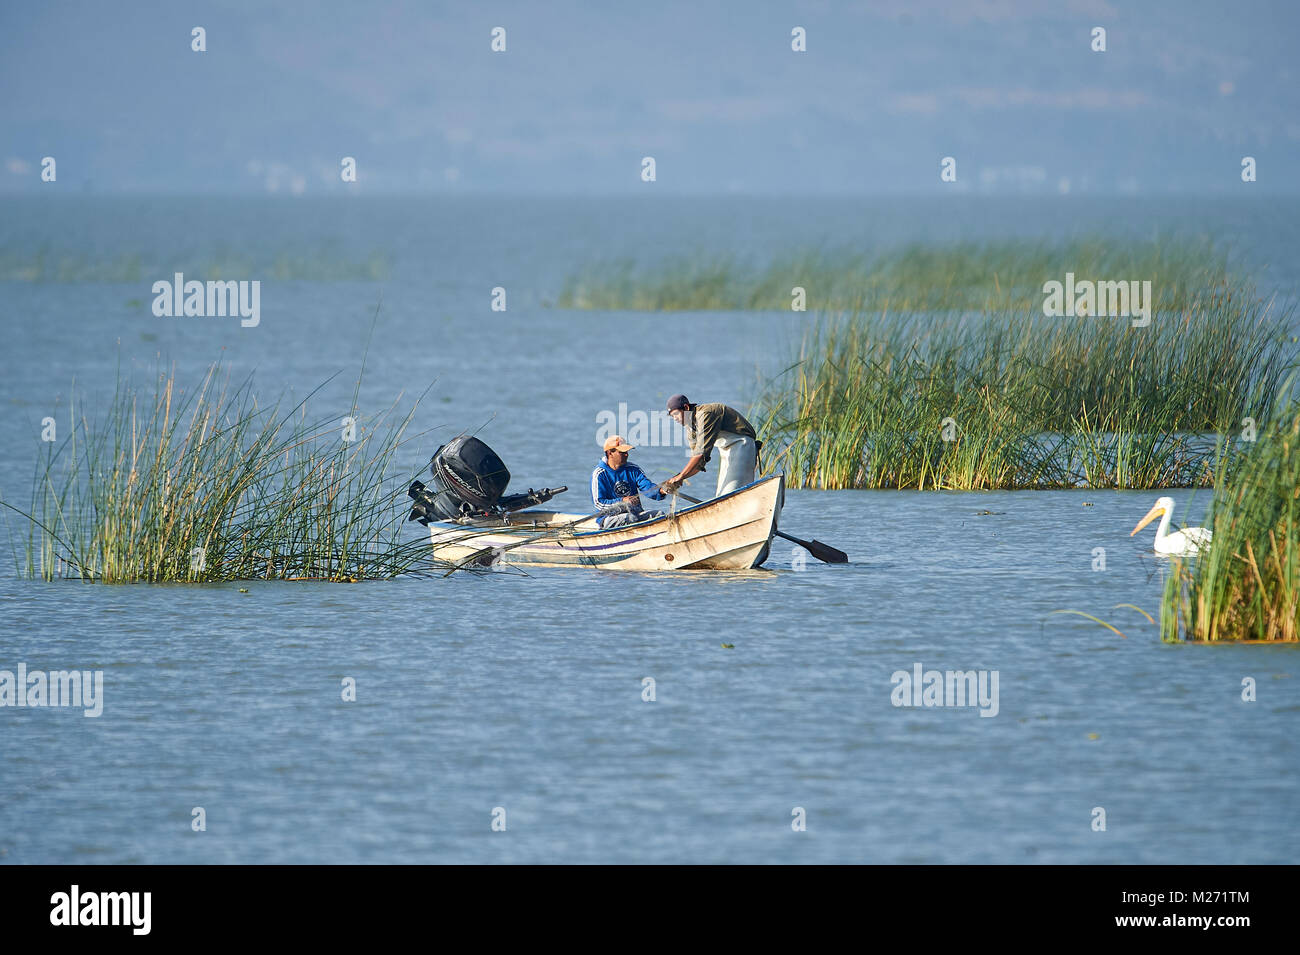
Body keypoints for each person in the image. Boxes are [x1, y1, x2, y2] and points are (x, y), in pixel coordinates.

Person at [661, 394, 760, 498]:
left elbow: (700, 453)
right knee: (721, 495)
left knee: (733, 491)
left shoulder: (705, 414)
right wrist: (679, 478)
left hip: (742, 445)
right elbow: (698, 462)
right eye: (672, 416)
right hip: (726, 450)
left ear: (686, 408)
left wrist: (681, 476)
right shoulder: (690, 427)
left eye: (676, 414)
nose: (675, 418)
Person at [591, 435, 668, 528]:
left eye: (627, 451)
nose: (626, 454)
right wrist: (622, 501)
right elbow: (599, 503)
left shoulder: (633, 469)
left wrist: (662, 491)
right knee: (631, 518)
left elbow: (648, 488)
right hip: (610, 518)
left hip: (635, 514)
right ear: (609, 453)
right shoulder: (599, 474)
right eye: (622, 452)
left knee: (660, 514)